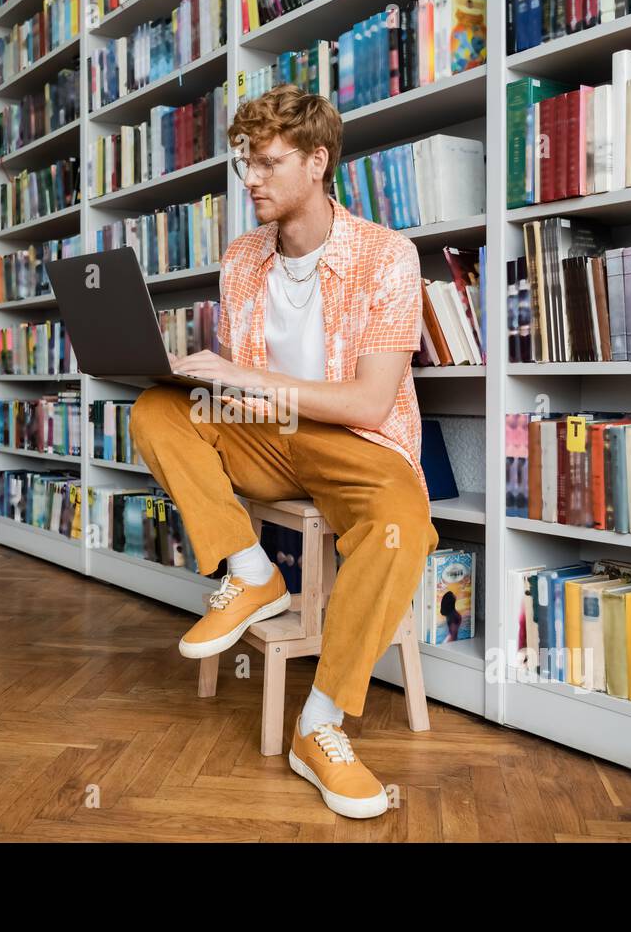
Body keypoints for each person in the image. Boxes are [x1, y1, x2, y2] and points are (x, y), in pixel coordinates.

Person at [129, 84, 439, 819]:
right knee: (155, 410)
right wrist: (194, 377)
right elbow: (239, 391)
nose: (251, 180)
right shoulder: (242, 259)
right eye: (246, 163)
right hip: (269, 438)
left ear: (318, 161)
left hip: (358, 443)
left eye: (268, 163)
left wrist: (244, 377)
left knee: (401, 523)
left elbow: (369, 401)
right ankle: (252, 572)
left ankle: (320, 724)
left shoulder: (388, 257)